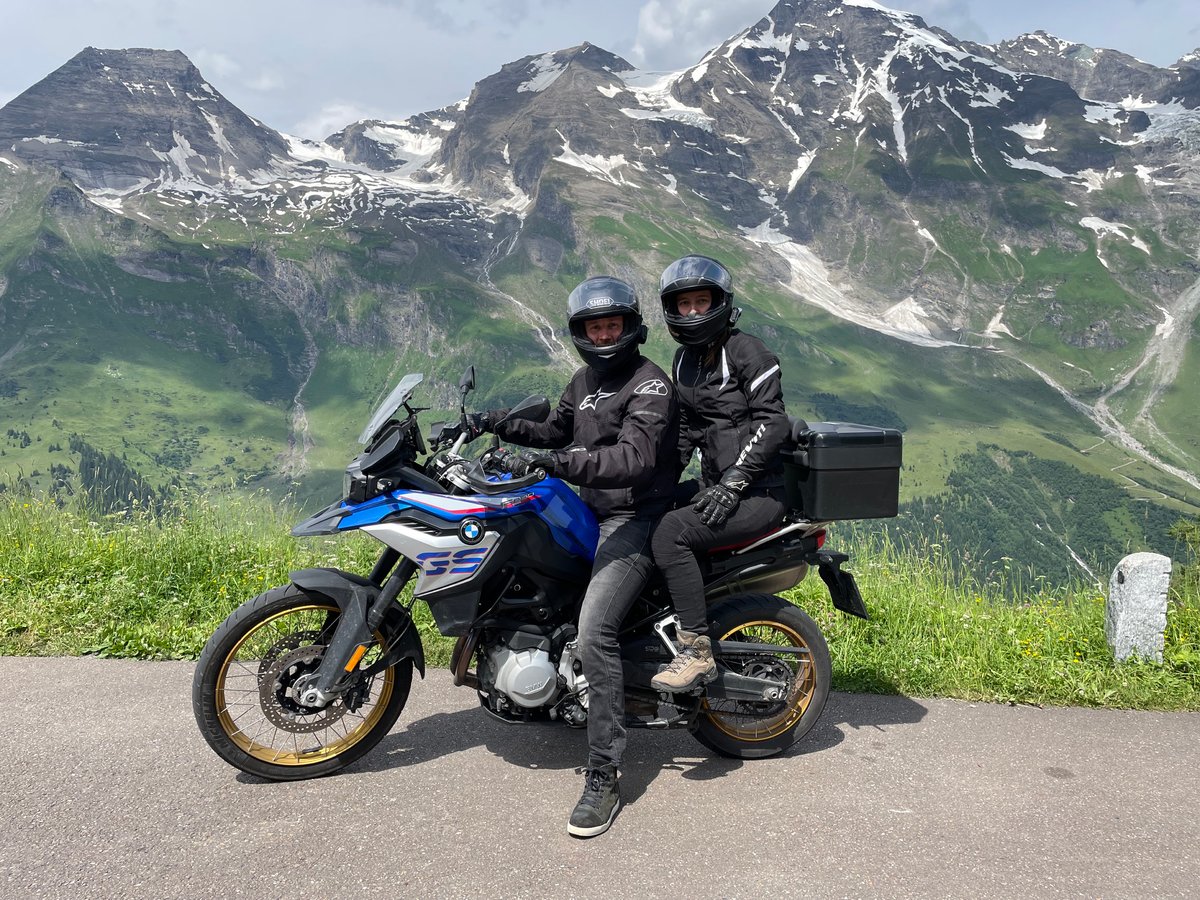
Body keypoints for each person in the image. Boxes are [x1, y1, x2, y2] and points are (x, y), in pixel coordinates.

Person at [467, 276, 678, 839]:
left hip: (634, 517)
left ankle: (606, 774)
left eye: (611, 324)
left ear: (631, 327)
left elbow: (633, 458)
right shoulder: (584, 379)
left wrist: (558, 464)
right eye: (593, 326)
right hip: (586, 511)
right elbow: (557, 428)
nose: (603, 333)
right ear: (580, 333)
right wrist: (495, 424)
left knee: (593, 632)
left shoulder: (650, 384)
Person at [649, 255, 791, 693]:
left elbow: (774, 423)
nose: (692, 311)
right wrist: (652, 480)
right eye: (684, 303)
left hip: (761, 492)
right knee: (650, 512)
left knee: (671, 533)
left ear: (721, 303)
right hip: (718, 487)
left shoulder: (747, 351)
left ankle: (696, 649)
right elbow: (690, 427)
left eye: (701, 301)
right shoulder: (683, 361)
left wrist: (734, 482)